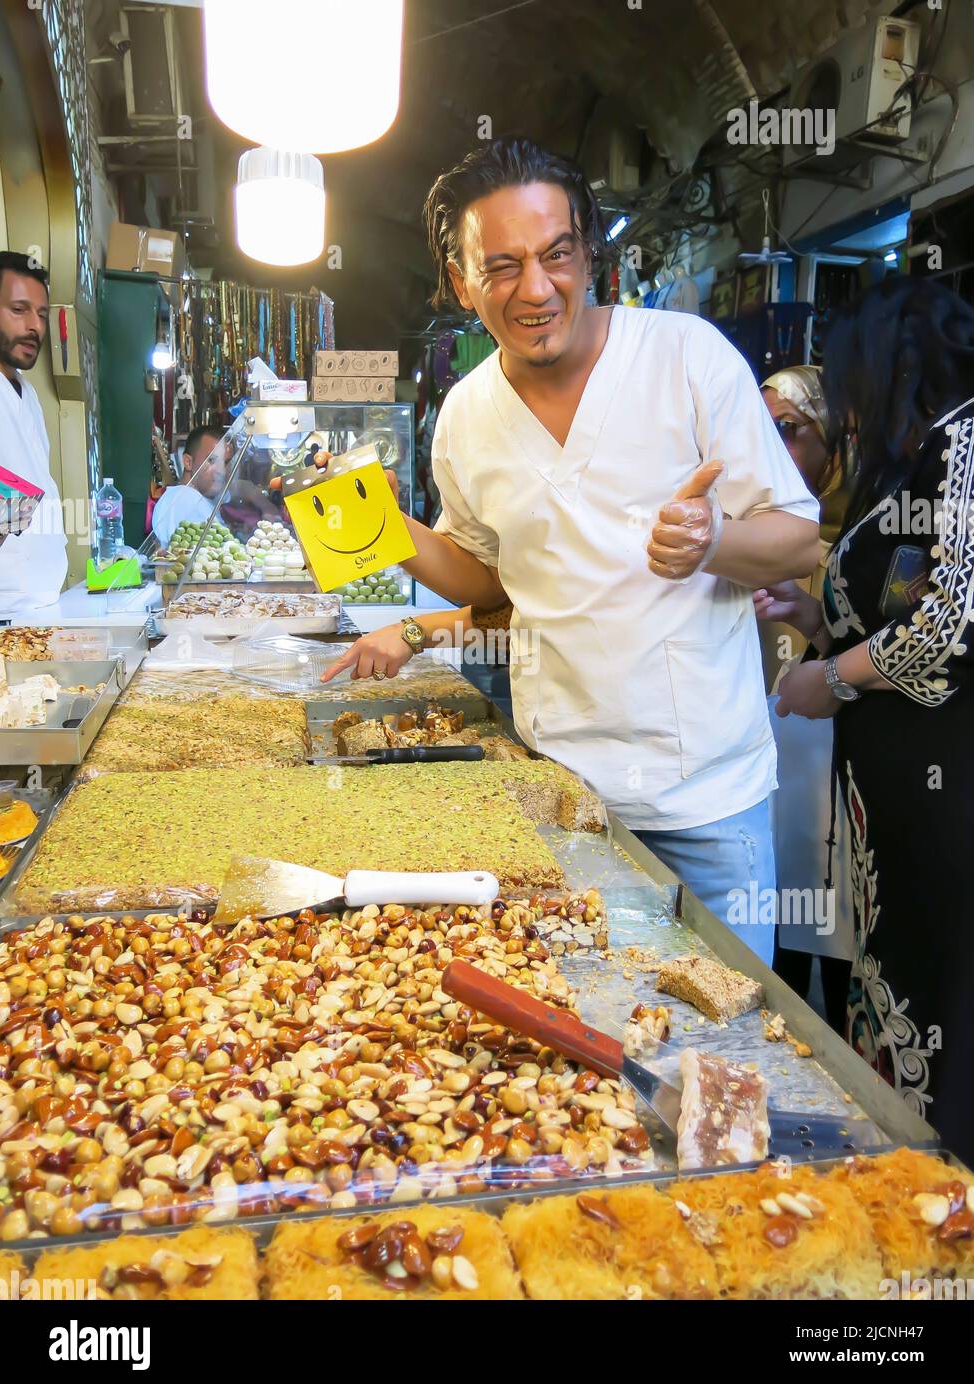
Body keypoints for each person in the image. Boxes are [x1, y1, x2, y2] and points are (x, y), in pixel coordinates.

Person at [324, 138, 821, 964]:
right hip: (558, 791)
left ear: (590, 252)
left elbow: (797, 540)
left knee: (727, 1052)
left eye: (557, 255)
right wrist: (373, 527)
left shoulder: (686, 358)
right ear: (460, 282)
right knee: (584, 1050)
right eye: (503, 266)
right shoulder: (465, 415)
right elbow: (485, 580)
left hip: (703, 798)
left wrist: (713, 542)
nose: (537, 288)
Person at [767, 275, 974, 1160]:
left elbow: (951, 619)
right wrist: (814, 620)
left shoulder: (965, 440)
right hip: (884, 785)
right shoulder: (913, 452)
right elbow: (889, 602)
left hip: (943, 778)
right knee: (889, 961)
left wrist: (837, 680)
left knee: (937, 968)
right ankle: (901, 1155)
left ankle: (940, 1176)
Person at [754, 365, 854, 1031]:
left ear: (832, 443)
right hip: (771, 771)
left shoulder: (874, 537)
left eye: (787, 432)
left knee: (845, 942)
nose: (771, 449)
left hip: (848, 774)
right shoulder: (748, 532)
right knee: (779, 931)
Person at [0, 251, 67, 612]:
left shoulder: (28, 392)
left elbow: (32, 483)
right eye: (18, 309)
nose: (35, 326)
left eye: (41, 315)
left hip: (43, 602)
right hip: (7, 610)